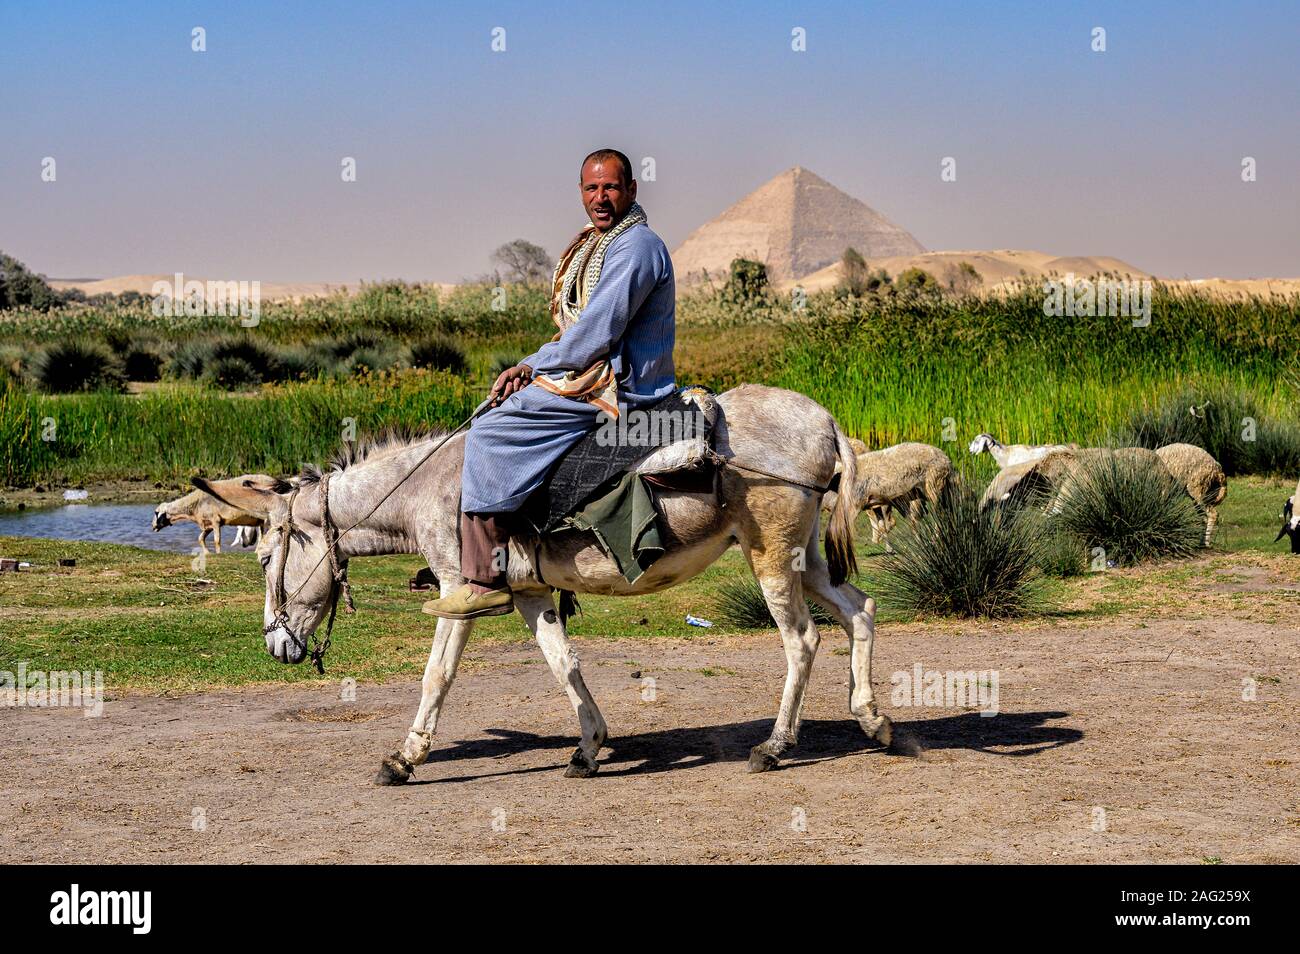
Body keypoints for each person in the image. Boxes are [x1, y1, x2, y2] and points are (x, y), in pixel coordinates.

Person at [422, 148, 676, 620]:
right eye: (591, 188)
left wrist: (533, 367)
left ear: (633, 190)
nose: (600, 198)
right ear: (581, 191)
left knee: (492, 430)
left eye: (611, 187)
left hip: (620, 387)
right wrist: (537, 366)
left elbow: (596, 332)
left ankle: (485, 579)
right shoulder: (599, 243)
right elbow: (580, 332)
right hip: (591, 371)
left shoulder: (636, 246)